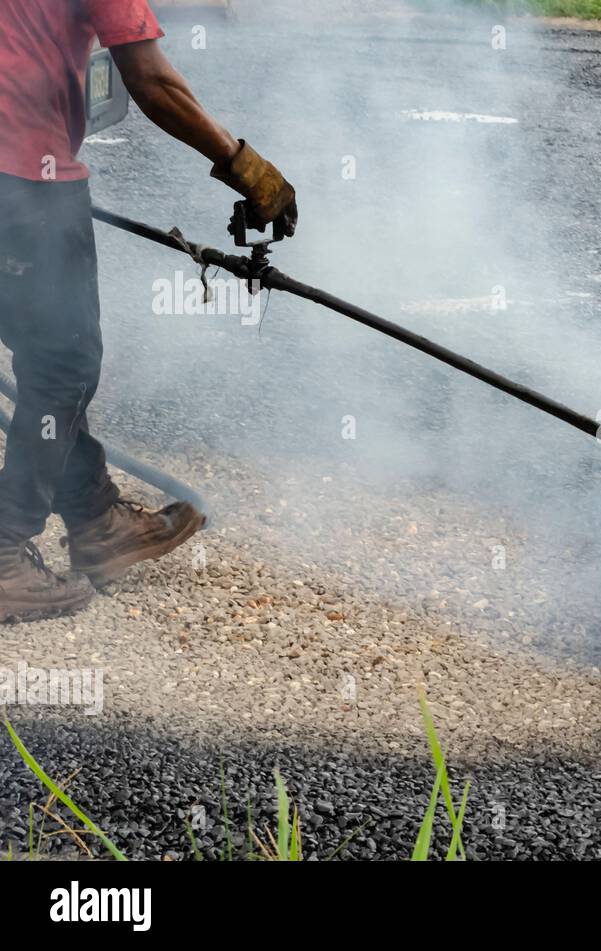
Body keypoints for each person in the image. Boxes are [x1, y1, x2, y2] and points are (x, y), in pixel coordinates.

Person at [0, 0, 297, 620]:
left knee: (46, 351)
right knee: (63, 363)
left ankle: (94, 516)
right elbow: (151, 79)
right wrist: (248, 168)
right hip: (23, 180)